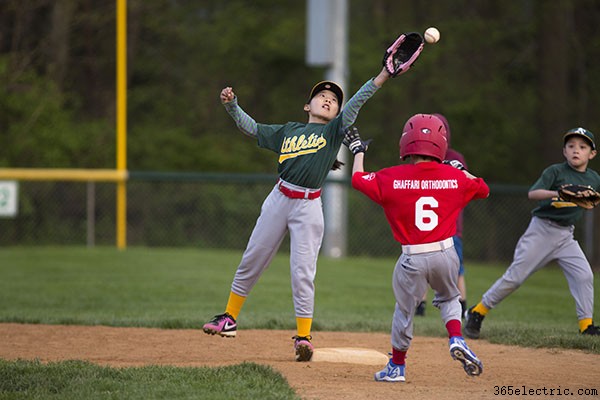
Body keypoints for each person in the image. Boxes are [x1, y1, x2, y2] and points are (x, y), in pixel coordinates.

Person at [203, 64, 407, 362]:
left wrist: (382, 77)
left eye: (333, 100)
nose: (328, 100)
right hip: (279, 198)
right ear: (307, 105)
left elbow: (357, 102)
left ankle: (303, 337)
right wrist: (232, 106)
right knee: (252, 258)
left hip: (309, 206)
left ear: (338, 112)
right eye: (322, 95)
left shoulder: (334, 129)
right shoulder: (289, 131)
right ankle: (229, 318)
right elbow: (252, 128)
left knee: (302, 273)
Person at [347, 114, 489, 382]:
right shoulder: (453, 176)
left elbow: (357, 179)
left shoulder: (392, 177)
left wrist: (358, 151)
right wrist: (458, 169)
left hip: (412, 257)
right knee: (449, 298)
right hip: (447, 253)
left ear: (406, 143)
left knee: (405, 310)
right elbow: (483, 188)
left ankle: (397, 367)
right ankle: (456, 338)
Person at [464, 127, 600, 339]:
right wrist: (558, 193)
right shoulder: (556, 172)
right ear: (564, 151)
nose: (576, 150)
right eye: (571, 146)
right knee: (515, 278)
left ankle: (586, 325)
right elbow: (533, 193)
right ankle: (478, 311)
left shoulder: (593, 178)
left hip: (566, 236)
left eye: (582, 147)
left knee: (584, 275)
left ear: (592, 154)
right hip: (542, 230)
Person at [416, 113, 469, 318]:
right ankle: (419, 305)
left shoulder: (455, 158)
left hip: (450, 225)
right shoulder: (421, 156)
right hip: (426, 225)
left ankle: (462, 307)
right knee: (420, 266)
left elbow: (465, 186)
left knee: (456, 268)